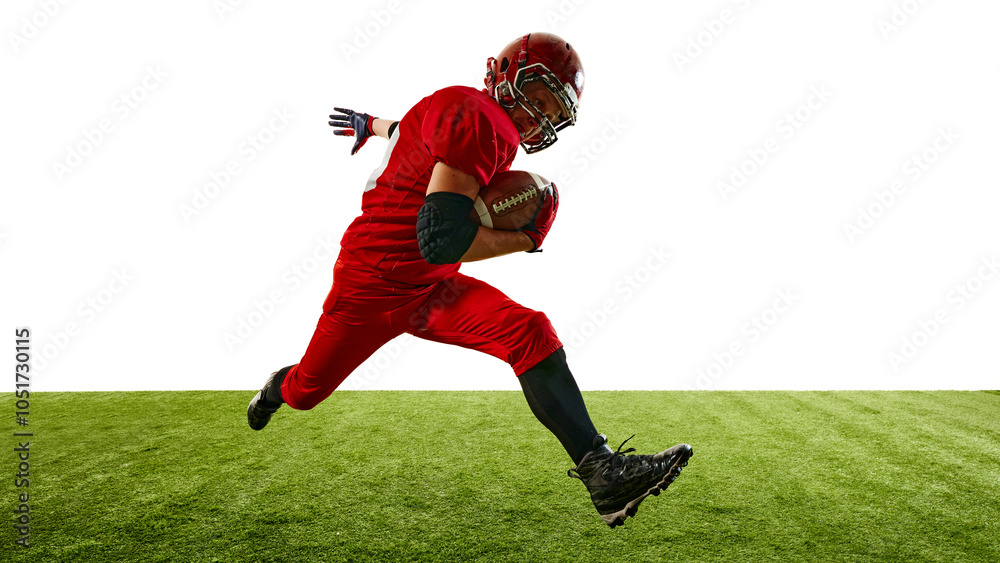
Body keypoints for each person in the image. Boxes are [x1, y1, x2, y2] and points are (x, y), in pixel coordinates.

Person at [247, 32, 692, 528]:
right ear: (504, 74)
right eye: (537, 96)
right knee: (307, 391)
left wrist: (370, 124)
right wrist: (525, 239)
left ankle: (604, 475)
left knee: (529, 331)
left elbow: (409, 132)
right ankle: (273, 390)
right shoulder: (485, 121)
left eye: (552, 111)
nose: (538, 116)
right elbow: (440, 239)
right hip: (371, 287)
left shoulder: (463, 109)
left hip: (431, 287)